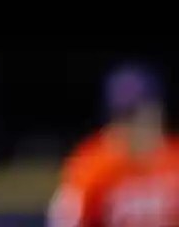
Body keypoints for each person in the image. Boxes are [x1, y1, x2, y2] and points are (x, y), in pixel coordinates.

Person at [47, 62, 179, 227]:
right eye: (127, 117)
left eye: (144, 115)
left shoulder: (175, 159)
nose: (138, 125)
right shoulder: (90, 167)